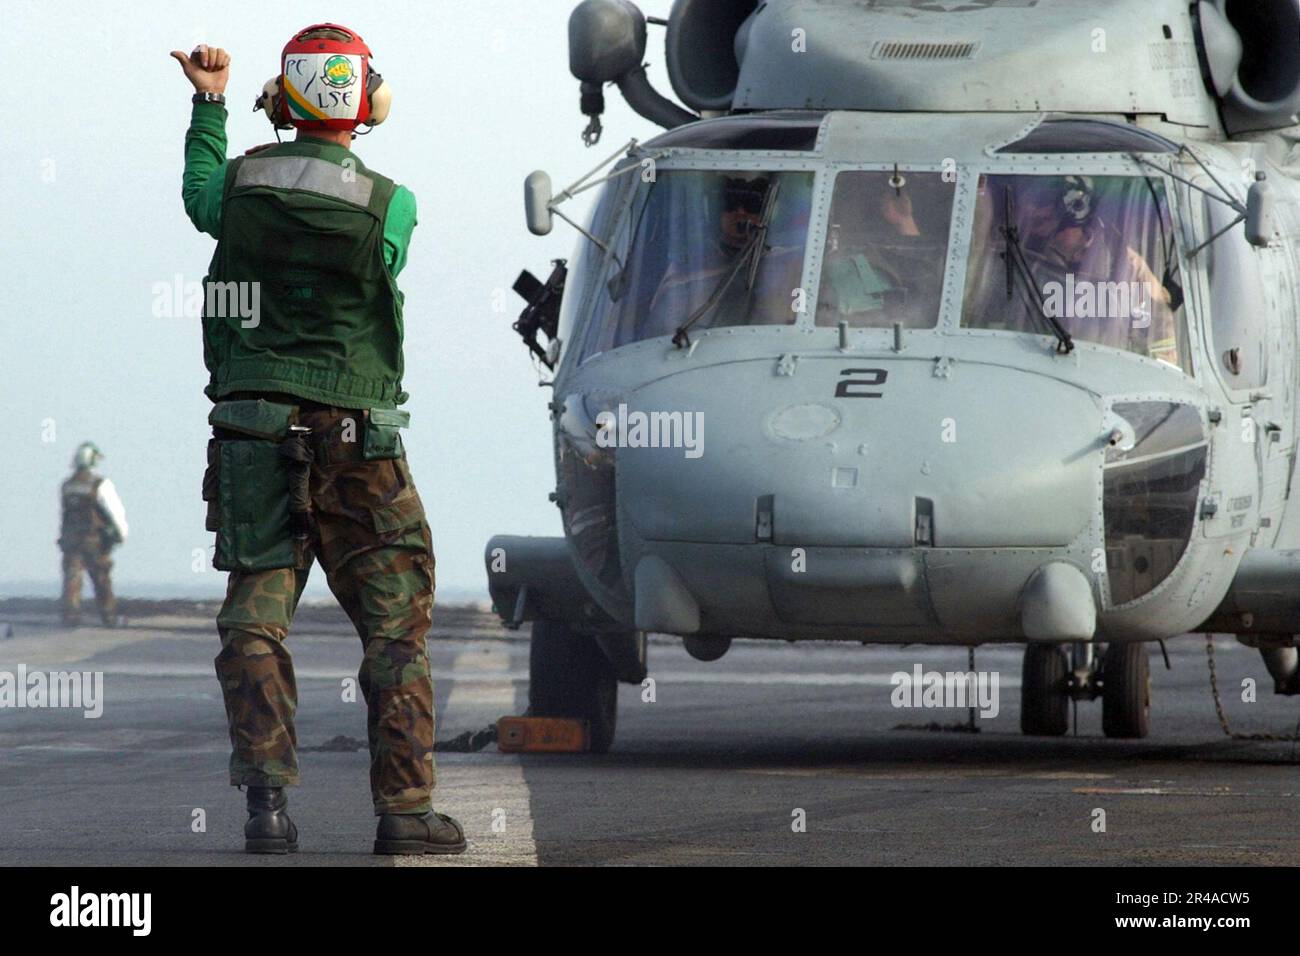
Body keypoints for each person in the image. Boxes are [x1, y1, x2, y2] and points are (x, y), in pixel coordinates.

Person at [171, 24, 464, 855]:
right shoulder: (389, 202)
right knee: (394, 628)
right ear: (366, 102)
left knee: (255, 621)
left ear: (287, 95)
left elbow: (197, 196)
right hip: (358, 441)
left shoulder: (235, 186)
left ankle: (267, 810)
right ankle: (405, 813)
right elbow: (389, 262)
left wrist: (212, 103)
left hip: (254, 431)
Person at [59, 442, 127, 628]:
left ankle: (71, 617)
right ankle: (109, 618)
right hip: (94, 542)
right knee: (101, 579)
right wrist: (121, 534)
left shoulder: (67, 486)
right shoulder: (99, 485)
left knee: (72, 580)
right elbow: (115, 512)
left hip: (71, 541)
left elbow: (65, 515)